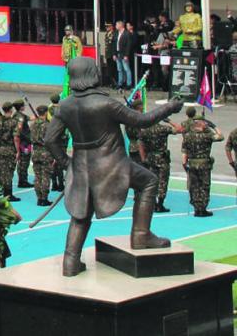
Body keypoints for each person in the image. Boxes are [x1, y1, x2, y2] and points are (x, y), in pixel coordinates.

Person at [44, 57, 183, 276]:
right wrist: (169, 108)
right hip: (111, 164)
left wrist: (67, 163)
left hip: (81, 166)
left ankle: (70, 261)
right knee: (149, 182)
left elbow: (50, 139)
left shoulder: (65, 105)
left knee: (81, 213)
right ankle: (140, 234)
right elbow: (142, 120)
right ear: (92, 74)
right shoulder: (105, 103)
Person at [180, 108, 223, 217]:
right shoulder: (207, 135)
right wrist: (213, 126)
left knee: (194, 186)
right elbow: (220, 136)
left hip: (192, 163)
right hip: (204, 164)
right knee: (204, 186)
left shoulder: (188, 136)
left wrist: (184, 164)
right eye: (204, 122)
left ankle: (196, 207)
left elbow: (184, 152)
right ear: (200, 123)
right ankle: (202, 208)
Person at [29, 104, 54, 206]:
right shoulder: (48, 125)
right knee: (45, 176)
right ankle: (44, 198)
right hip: (45, 152)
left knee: (37, 176)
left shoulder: (33, 124)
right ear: (46, 112)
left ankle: (39, 198)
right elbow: (51, 140)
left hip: (35, 152)